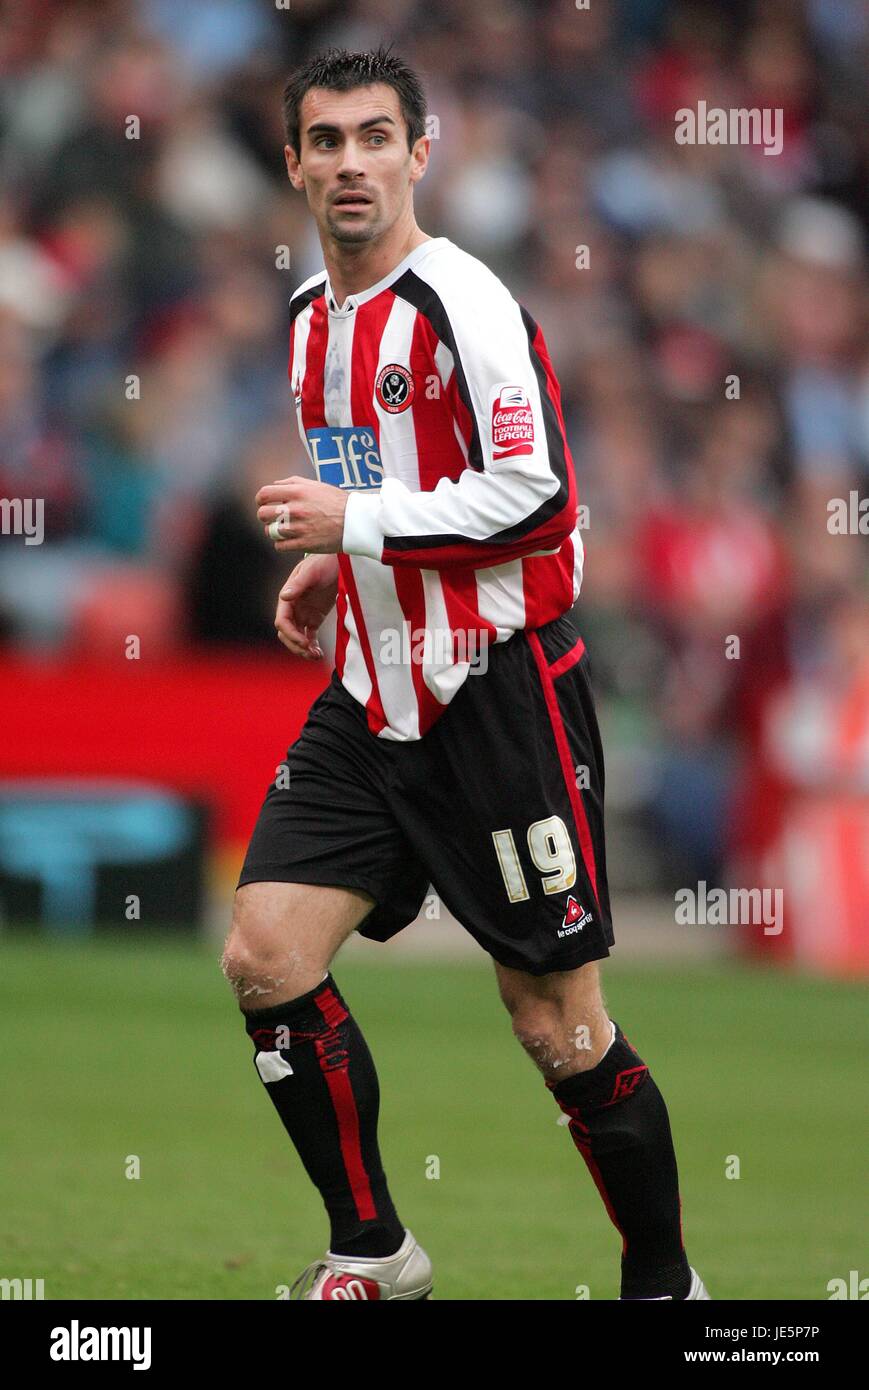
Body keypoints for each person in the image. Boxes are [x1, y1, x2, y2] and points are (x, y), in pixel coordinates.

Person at [220, 45, 710, 1303]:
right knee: (266, 951)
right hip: (371, 688)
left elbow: (537, 493)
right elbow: (382, 486)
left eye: (374, 137)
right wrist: (343, 569)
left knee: (555, 1024)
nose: (349, 163)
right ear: (292, 164)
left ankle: (665, 1286)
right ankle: (372, 1251)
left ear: (419, 152)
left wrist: (356, 532)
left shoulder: (465, 304)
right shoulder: (306, 320)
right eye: (324, 141)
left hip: (496, 696)